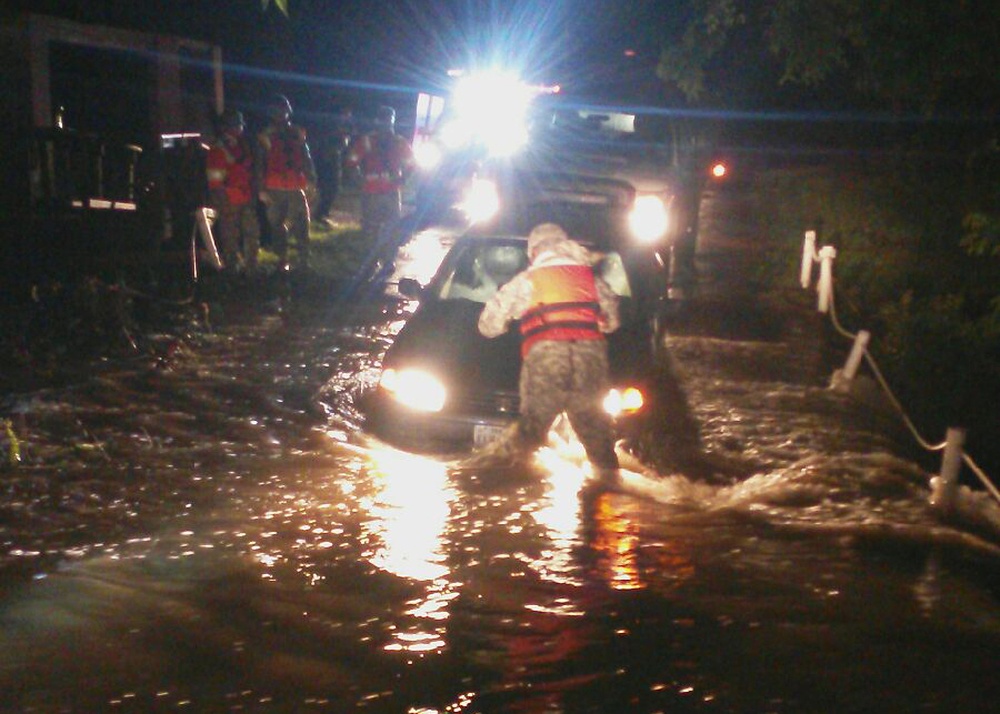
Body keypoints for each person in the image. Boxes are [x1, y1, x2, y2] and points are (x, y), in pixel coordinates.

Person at [476, 223, 622, 485]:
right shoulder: (591, 279)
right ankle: (610, 486)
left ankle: (494, 484)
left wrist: (508, 322)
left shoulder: (527, 281)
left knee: (531, 431)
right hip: (589, 361)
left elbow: (488, 326)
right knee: (595, 432)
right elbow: (612, 322)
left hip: (547, 361)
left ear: (533, 252)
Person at [255, 93, 317, 271]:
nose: (281, 115)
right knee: (278, 227)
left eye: (283, 111)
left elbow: (306, 158)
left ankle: (303, 261)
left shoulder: (297, 134)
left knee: (301, 225)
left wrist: (311, 180)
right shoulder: (265, 137)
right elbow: (259, 164)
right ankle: (282, 260)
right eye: (278, 112)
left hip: (296, 187)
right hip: (274, 189)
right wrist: (261, 189)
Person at [344, 105, 415, 244]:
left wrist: (402, 178)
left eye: (389, 120)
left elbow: (411, 164)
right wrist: (359, 179)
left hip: (389, 190)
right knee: (373, 228)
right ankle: (373, 260)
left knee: (390, 228)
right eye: (385, 119)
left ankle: (387, 261)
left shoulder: (399, 142)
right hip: (373, 190)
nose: (387, 123)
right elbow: (351, 162)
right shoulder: (369, 140)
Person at [206, 108, 260, 274]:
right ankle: (232, 269)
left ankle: (251, 267)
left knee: (251, 233)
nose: (241, 129)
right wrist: (223, 199)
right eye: (238, 125)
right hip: (229, 199)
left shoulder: (243, 145)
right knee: (230, 236)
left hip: (245, 196)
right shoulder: (218, 149)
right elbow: (215, 180)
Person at [313, 103, 353, 225]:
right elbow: (327, 141)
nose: (348, 116)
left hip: (333, 158)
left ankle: (323, 212)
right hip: (327, 159)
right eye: (346, 113)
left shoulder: (340, 125)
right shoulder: (332, 125)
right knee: (329, 188)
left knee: (332, 188)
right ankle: (320, 214)